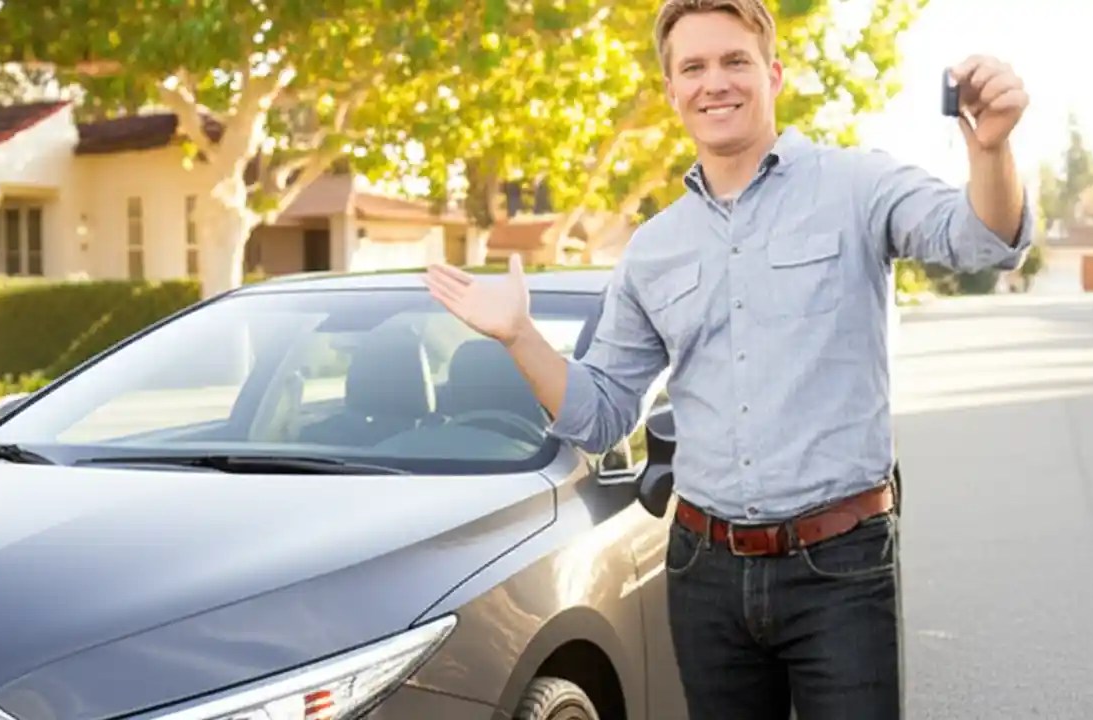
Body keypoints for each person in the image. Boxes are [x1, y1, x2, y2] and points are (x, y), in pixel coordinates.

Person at [424, 0, 1032, 717]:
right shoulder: (654, 248)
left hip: (839, 567)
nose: (715, 82)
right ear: (672, 89)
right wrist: (519, 337)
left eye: (735, 61)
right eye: (694, 67)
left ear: (773, 74)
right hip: (702, 572)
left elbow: (986, 241)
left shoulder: (856, 187)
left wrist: (990, 151)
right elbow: (600, 416)